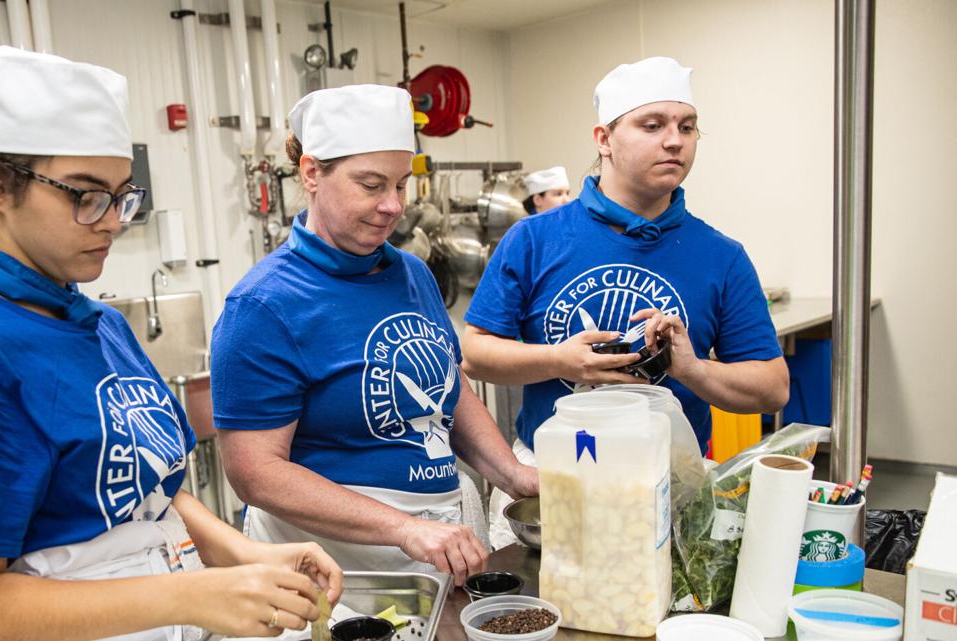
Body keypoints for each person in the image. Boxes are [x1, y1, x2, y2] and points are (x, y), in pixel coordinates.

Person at [0, 46, 343, 641]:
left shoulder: (103, 327)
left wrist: (248, 556)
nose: (111, 222)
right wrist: (191, 593)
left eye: (123, 196)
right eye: (85, 195)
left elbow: (155, 495)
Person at [210, 84, 537, 586]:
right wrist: (403, 528)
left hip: (439, 540)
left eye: (402, 185)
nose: (393, 206)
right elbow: (255, 473)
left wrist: (513, 474)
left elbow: (449, 390)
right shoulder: (264, 305)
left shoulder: (412, 274)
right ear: (312, 172)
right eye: (371, 185)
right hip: (339, 565)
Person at [462, 56, 789, 550]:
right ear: (604, 139)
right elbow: (474, 353)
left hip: (668, 484)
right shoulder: (534, 240)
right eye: (652, 125)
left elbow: (772, 387)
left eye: (687, 126)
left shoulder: (721, 256)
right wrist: (559, 360)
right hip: (550, 480)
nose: (675, 140)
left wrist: (691, 369)